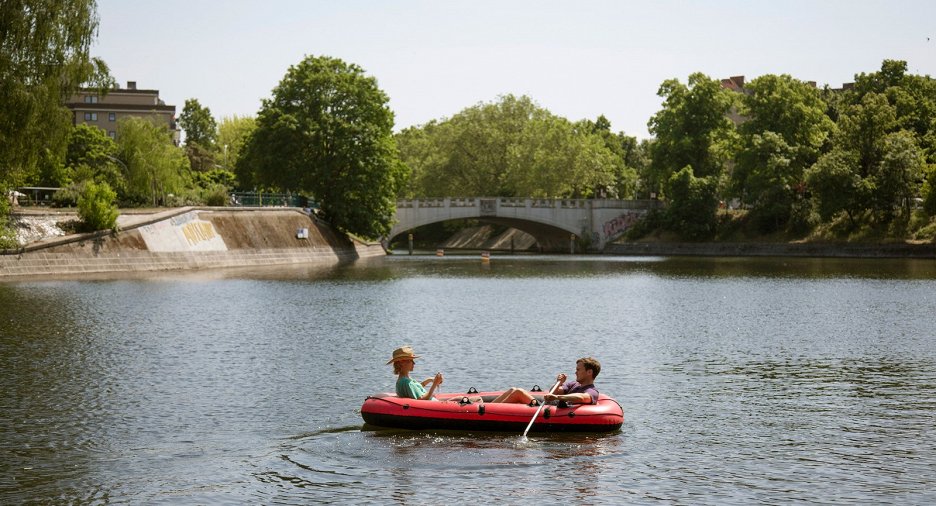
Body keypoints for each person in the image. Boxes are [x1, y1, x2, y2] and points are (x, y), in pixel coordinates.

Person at [490, 357, 601, 405]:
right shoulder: (574, 384)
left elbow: (582, 398)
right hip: (548, 405)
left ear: (589, 372)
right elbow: (553, 391)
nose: (575, 372)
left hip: (549, 411)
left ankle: (488, 413)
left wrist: (557, 398)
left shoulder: (592, 391)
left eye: (578, 370)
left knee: (518, 392)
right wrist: (559, 382)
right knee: (513, 389)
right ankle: (488, 408)